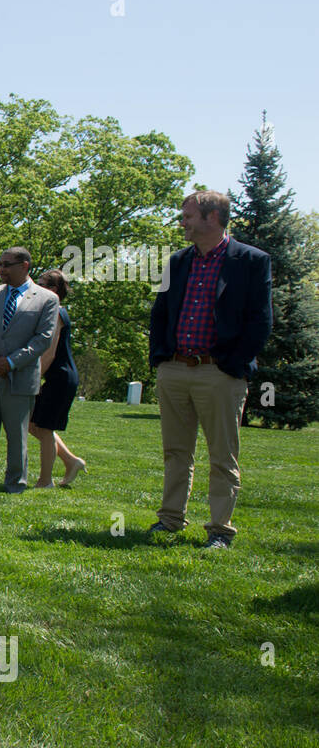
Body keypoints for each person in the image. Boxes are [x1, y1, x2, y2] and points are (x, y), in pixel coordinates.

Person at [148, 190, 272, 549]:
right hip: (174, 368)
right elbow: (160, 313)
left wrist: (232, 365)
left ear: (212, 218)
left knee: (222, 455)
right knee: (175, 451)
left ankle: (220, 530)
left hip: (219, 373)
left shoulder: (251, 261)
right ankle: (170, 520)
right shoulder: (177, 262)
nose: (181, 222)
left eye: (187, 216)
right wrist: (160, 358)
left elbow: (260, 321)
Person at [0, 247, 59, 494]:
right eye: (0, 264)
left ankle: (15, 484)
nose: (2, 270)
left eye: (7, 265)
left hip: (21, 378)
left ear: (25, 265)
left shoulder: (46, 299)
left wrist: (10, 362)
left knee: (18, 437)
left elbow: (43, 338)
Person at [28, 269, 86, 488]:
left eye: (41, 284)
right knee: (33, 424)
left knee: (43, 428)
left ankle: (45, 481)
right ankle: (72, 461)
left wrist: (34, 380)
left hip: (60, 377)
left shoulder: (56, 312)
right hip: (58, 376)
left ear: (52, 290)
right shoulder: (50, 312)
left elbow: (49, 353)